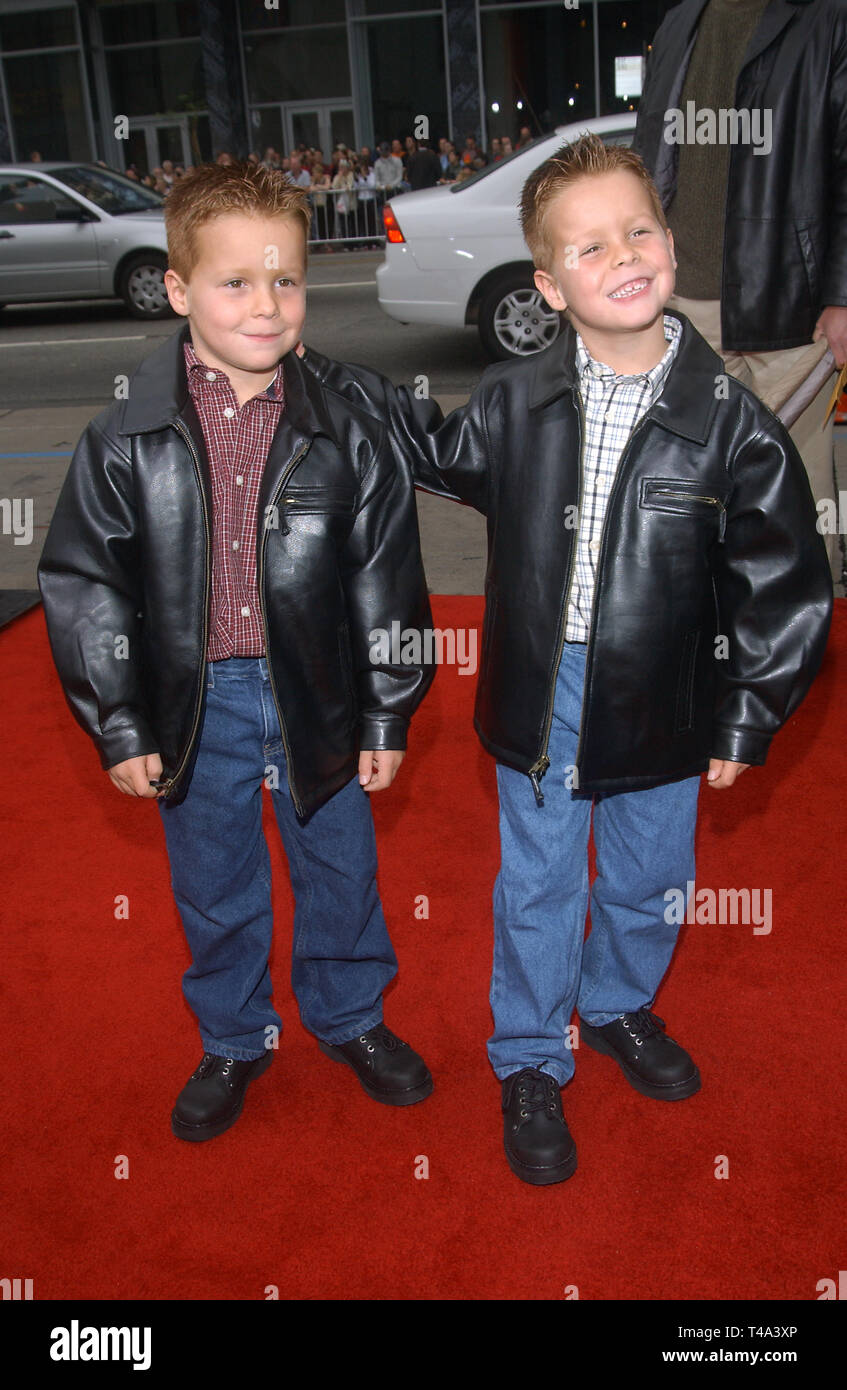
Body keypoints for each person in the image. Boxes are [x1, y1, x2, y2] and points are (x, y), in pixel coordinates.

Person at [299, 134, 833, 1184]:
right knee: (539, 882)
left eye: (638, 229)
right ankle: (531, 1056)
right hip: (547, 686)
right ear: (548, 284)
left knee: (650, 877)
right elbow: (446, 456)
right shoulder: (516, 396)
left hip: (667, 694)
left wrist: (745, 714)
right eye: (589, 247)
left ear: (669, 241)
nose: (623, 254)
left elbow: (782, 576)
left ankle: (621, 1001)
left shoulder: (728, 420)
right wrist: (342, 383)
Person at [37, 162, 436, 1144]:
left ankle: (349, 1017)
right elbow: (85, 581)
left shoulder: (348, 426)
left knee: (340, 872)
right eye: (234, 282)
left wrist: (387, 706)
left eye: (286, 280)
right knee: (215, 885)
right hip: (194, 704)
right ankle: (235, 1036)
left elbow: (387, 575)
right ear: (178, 289)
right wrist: (121, 718)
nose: (266, 306)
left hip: (319, 695)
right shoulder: (124, 433)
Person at [633, 0, 847, 587]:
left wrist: (842, 296)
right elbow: (650, 152)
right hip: (680, 307)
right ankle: (713, 651)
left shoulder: (827, 17)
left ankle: (806, 651)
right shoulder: (678, 21)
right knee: (692, 496)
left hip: (789, 311)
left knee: (798, 494)